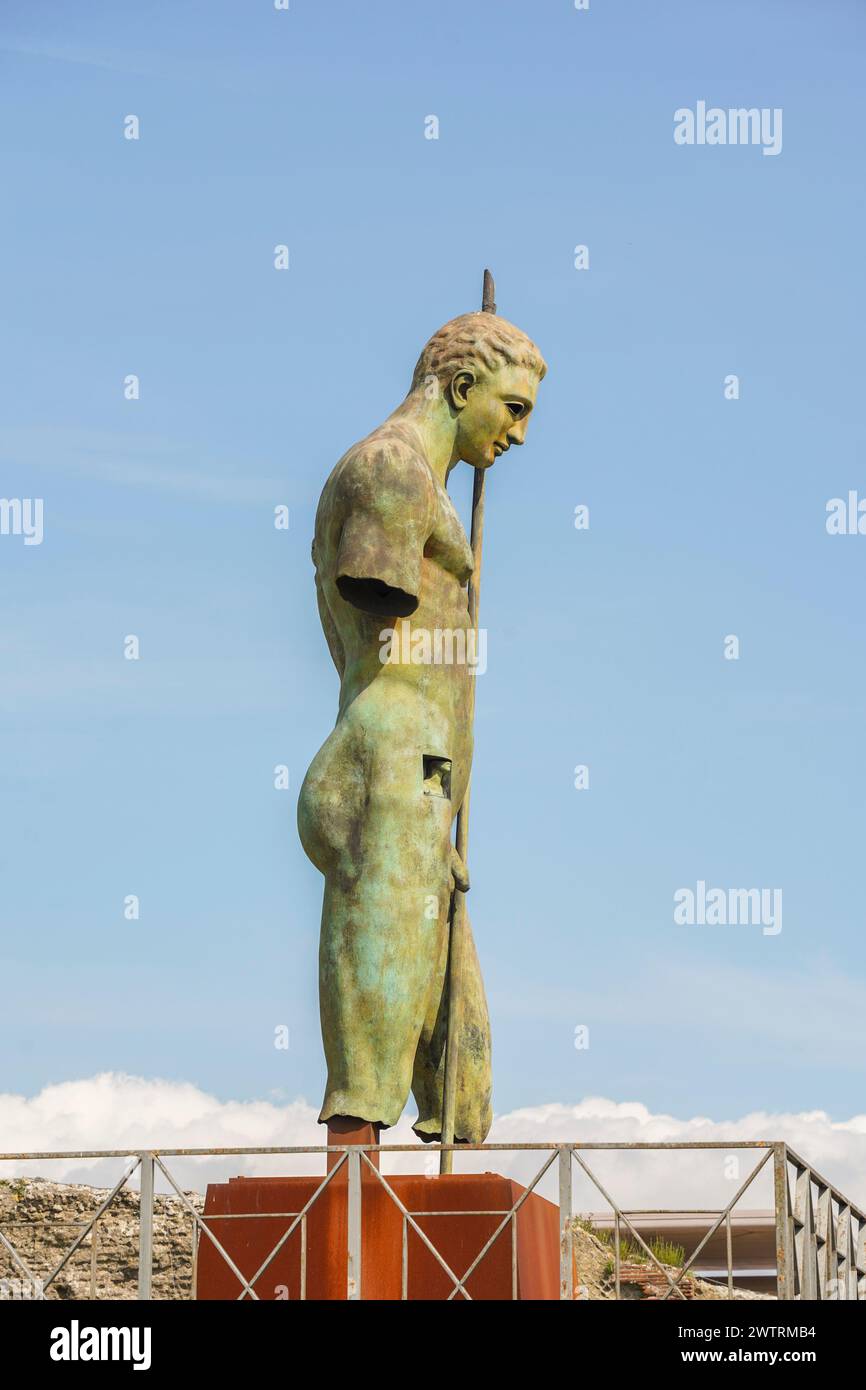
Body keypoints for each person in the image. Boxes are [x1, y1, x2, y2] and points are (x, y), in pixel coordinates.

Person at [298, 307, 546, 1144]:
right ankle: (351, 1196)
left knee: (440, 1000)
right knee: (376, 1037)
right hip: (392, 760)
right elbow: (380, 630)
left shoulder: (420, 483)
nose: (519, 436)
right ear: (461, 386)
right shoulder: (389, 471)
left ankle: (423, 1164)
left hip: (421, 776)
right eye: (512, 409)